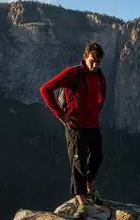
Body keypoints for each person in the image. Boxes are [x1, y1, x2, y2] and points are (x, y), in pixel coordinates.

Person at [40, 40, 106, 218]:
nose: (95, 65)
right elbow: (45, 89)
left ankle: (90, 189)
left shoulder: (99, 75)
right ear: (85, 57)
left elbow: (103, 95)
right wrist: (61, 116)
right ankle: (82, 202)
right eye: (92, 60)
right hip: (75, 127)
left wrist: (94, 113)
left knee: (97, 157)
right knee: (78, 162)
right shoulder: (72, 73)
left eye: (98, 62)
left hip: (93, 126)